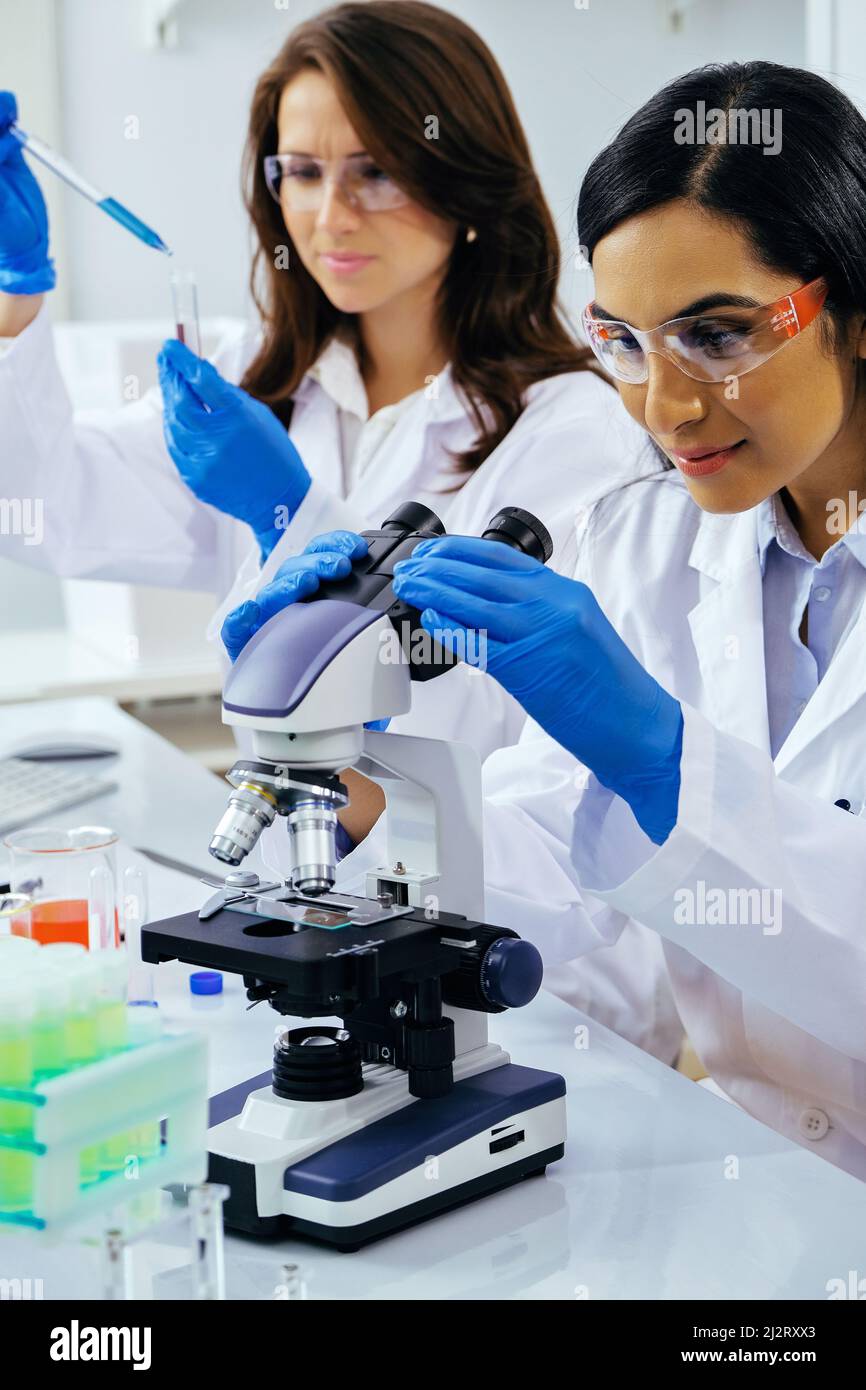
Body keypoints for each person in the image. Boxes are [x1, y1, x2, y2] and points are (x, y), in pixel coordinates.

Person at [0, 3, 676, 1058]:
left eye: (374, 172)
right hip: (335, 906)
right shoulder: (263, 383)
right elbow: (44, 508)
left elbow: (472, 737)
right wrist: (14, 304)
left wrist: (291, 515)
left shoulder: (574, 433)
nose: (329, 215)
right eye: (301, 173)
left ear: (466, 185)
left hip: (543, 989)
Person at [374, 60, 866, 1179]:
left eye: (718, 336)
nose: (665, 405)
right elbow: (558, 856)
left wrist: (665, 764)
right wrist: (360, 787)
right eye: (624, 342)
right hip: (758, 1178)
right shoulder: (641, 537)